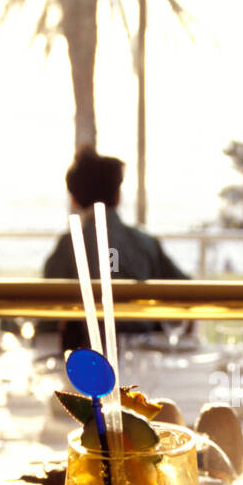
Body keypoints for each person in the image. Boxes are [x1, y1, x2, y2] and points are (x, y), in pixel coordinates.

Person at [43, 146, 188, 351]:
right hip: (146, 355)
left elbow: (45, 310)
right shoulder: (146, 243)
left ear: (73, 199)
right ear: (117, 196)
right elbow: (186, 291)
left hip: (86, 357)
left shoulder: (68, 245)